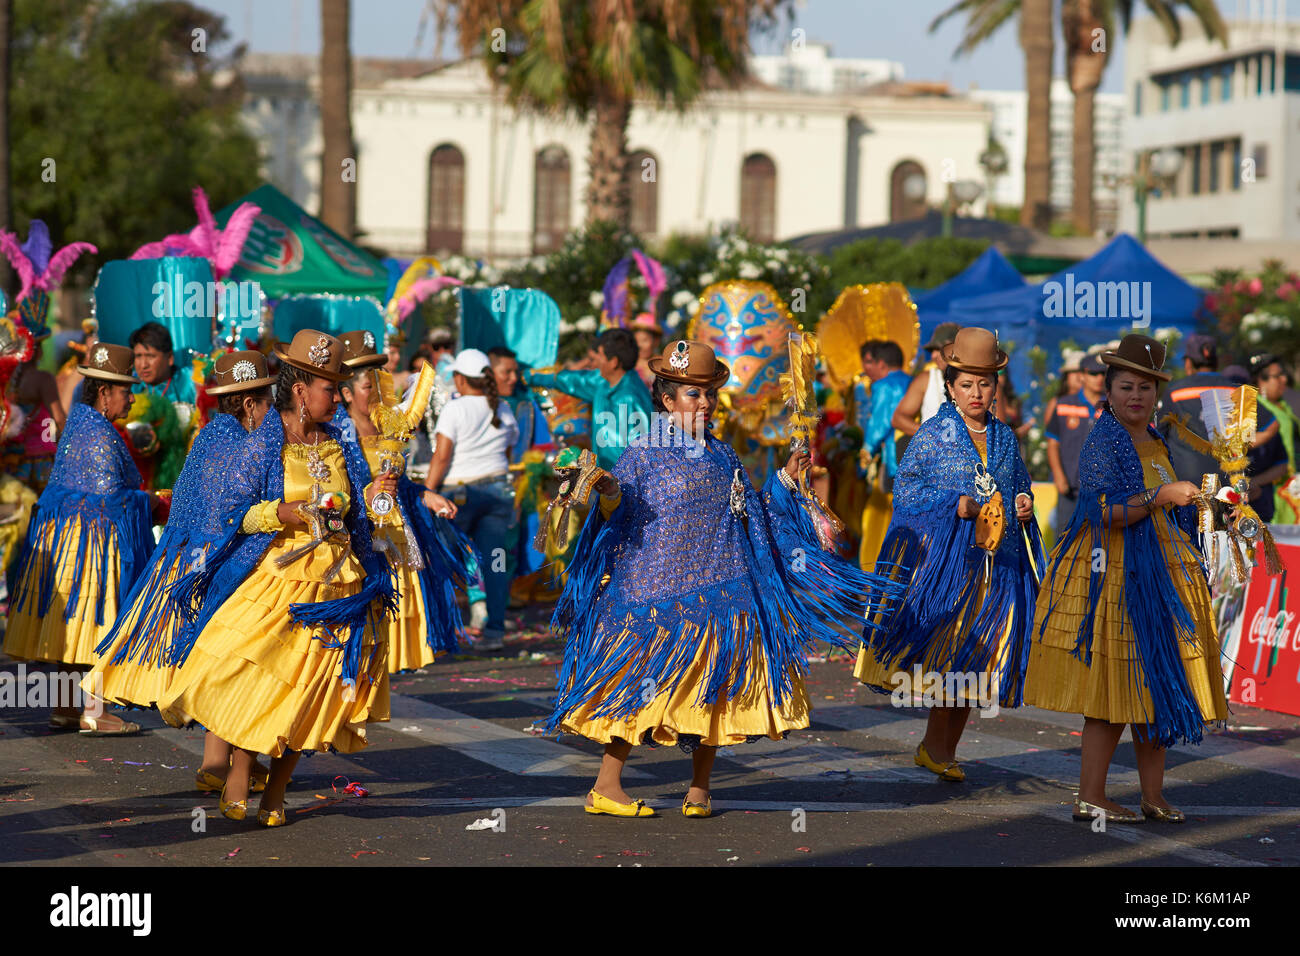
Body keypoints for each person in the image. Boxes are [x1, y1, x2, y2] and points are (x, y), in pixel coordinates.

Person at [545, 340, 897, 817]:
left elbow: (753, 512)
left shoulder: (723, 453)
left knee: (714, 692)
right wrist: (606, 490)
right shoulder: (643, 452)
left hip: (722, 593)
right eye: (693, 394)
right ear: (667, 400)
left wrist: (785, 481)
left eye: (709, 393)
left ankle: (699, 789)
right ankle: (606, 787)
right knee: (633, 693)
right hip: (652, 596)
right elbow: (616, 509)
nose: (705, 403)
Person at [157, 330, 399, 826]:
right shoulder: (266, 439)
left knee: (308, 692)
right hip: (272, 581)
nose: (338, 395)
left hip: (334, 588)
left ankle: (278, 792)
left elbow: (359, 518)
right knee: (254, 678)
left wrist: (380, 495)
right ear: (300, 389)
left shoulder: (339, 443)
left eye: (339, 386)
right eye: (330, 387)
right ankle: (239, 771)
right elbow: (233, 514)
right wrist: (282, 513)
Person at [1026, 334, 1231, 824]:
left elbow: (1170, 500)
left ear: (1156, 393)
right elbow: (1102, 511)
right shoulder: (1105, 437)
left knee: (1158, 680)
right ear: (1109, 391)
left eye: (1144, 387)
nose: (1135, 396)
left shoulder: (1155, 437)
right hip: (1113, 574)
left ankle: (1153, 796)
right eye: (1125, 387)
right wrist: (1162, 495)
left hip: (1165, 569)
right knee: (1111, 691)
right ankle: (1091, 796)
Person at [856, 327, 1043, 781]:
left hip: (996, 569)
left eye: (984, 383)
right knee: (955, 662)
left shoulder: (1005, 438)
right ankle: (935, 749)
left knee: (975, 670)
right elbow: (906, 492)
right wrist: (952, 504)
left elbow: (1018, 484)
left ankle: (937, 749)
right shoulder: (933, 434)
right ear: (950, 385)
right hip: (950, 568)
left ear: (996, 386)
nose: (976, 392)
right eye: (966, 384)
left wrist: (1023, 503)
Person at [84, 350, 276, 790]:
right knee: (233, 662)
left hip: (188, 562)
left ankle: (215, 762)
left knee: (216, 658)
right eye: (265, 399)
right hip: (223, 564)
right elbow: (239, 511)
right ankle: (230, 762)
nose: (270, 409)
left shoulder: (210, 435)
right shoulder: (247, 442)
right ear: (248, 403)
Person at [4, 343, 163, 734]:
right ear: (105, 392)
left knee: (71, 623)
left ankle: (64, 706)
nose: (130, 398)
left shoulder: (79, 421)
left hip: (66, 541)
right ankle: (95, 710)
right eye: (126, 391)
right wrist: (154, 502)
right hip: (95, 543)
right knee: (99, 620)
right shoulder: (101, 433)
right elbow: (113, 499)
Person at [335, 329, 466, 672]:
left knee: (396, 626)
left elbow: (400, 483)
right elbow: (333, 491)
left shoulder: (389, 424)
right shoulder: (336, 434)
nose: (376, 394)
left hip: (400, 542)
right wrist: (369, 493)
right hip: (362, 542)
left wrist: (427, 495)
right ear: (347, 393)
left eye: (379, 386)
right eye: (368, 388)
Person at [426, 348, 520, 651]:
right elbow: (508, 450)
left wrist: (425, 491)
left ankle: (439, 632)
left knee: (442, 560)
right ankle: (494, 631)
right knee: (495, 563)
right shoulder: (502, 408)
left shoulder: (455, 409)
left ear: (459, 379)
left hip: (459, 496)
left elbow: (441, 457)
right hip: (497, 493)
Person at [523, 328, 653, 472]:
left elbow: (644, 453)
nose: (596, 361)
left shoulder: (632, 397)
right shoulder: (603, 383)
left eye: (599, 355)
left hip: (625, 485)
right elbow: (575, 381)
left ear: (613, 362)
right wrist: (533, 377)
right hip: (604, 481)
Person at [1156, 333, 1276, 484]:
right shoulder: (1237, 390)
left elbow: (1158, 436)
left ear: (1188, 363)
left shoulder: (1175, 392)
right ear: (1216, 362)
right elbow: (1272, 424)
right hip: (1229, 484)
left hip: (1186, 486)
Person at [857, 339, 910, 569]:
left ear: (881, 363)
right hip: (915, 456)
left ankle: (881, 570)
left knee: (885, 515)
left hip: (893, 459)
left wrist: (866, 452)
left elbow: (879, 423)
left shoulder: (884, 386)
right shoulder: (914, 381)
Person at [1046, 351, 1106, 535]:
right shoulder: (1063, 404)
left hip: (1102, 490)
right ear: (1082, 376)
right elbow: (1052, 443)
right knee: (1066, 542)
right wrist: (1058, 476)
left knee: (1100, 545)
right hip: (1070, 489)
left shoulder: (1112, 407)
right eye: (1093, 373)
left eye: (1103, 373)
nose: (1099, 378)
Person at [2, 317, 65, 493]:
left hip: (12, 459)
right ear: (37, 352)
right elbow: (59, 418)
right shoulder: (43, 379)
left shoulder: (7, 380)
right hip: (41, 459)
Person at [1247, 353, 1300, 524]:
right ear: (1261, 381)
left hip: (1290, 488)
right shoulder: (1257, 411)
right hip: (1271, 492)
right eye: (1277, 376)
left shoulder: (1283, 405)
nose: (1284, 379)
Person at [892, 322, 957, 437]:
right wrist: (933, 436)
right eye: (932, 351)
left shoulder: (980, 381)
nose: (933, 356)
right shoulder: (927, 379)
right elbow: (898, 418)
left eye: (939, 349)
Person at [1043, 350, 1085, 426]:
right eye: (1074, 371)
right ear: (1066, 376)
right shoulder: (1055, 403)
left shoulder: (1097, 404)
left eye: (1082, 371)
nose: (1078, 376)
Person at [630, 314, 663, 389]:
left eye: (644, 340)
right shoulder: (631, 364)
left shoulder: (662, 363)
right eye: (637, 341)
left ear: (655, 341)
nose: (640, 345)